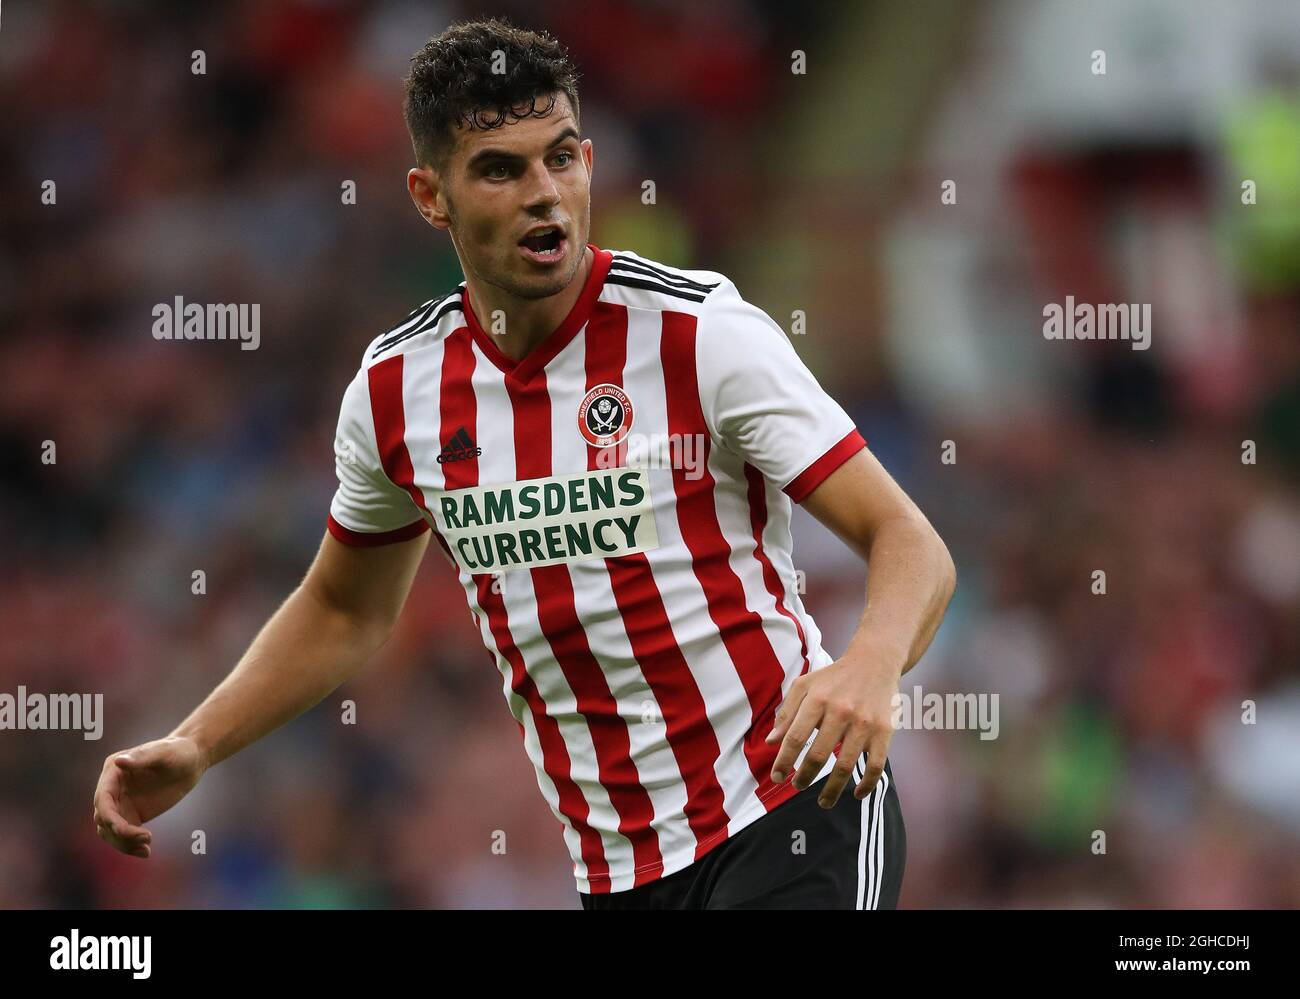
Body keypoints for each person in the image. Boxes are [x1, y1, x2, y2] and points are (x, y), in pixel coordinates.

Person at [93, 17, 955, 910]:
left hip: (795, 809)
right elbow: (344, 608)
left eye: (561, 158)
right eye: (501, 168)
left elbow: (910, 540)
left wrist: (870, 663)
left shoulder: (702, 334)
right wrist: (197, 742)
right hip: (618, 870)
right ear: (432, 196)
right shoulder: (397, 392)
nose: (545, 192)